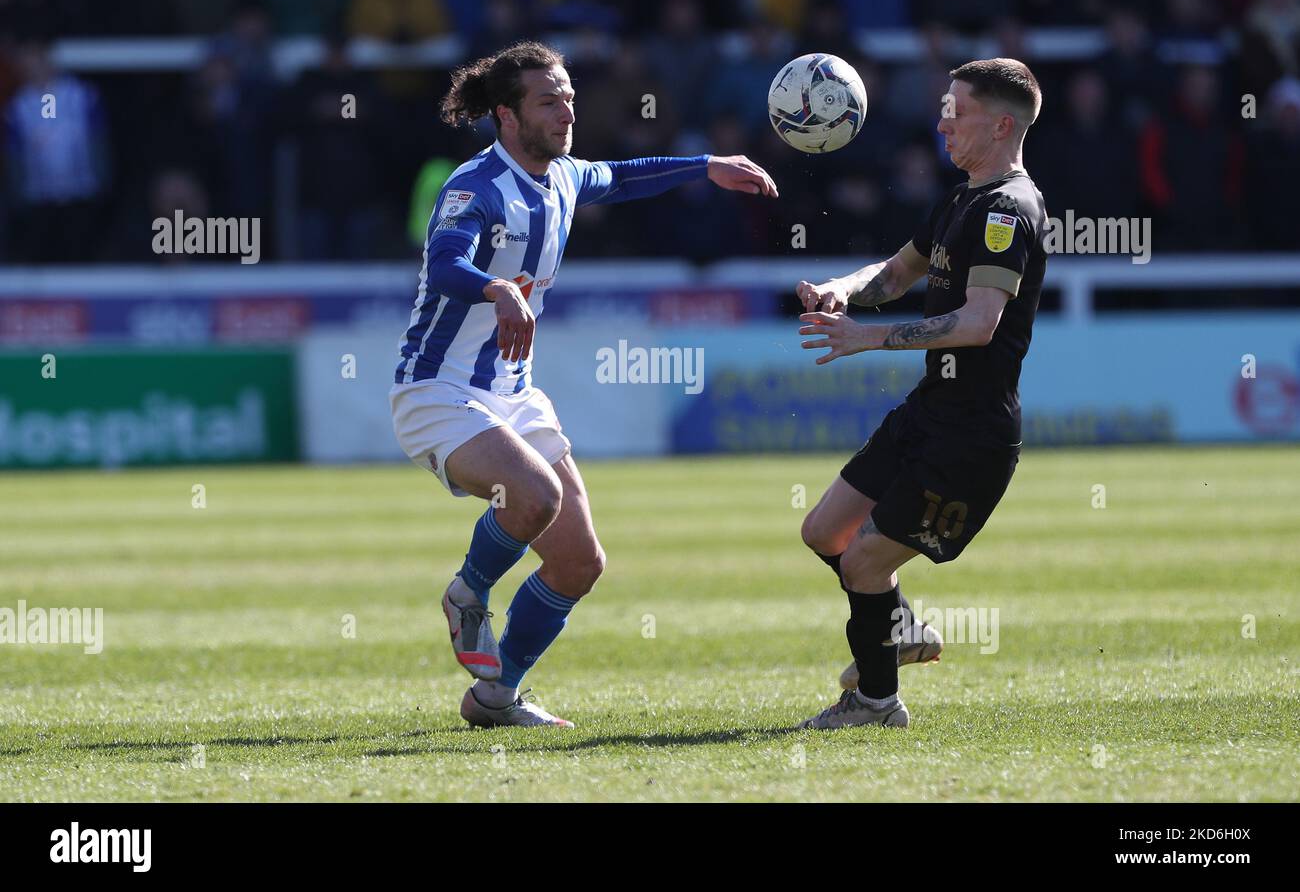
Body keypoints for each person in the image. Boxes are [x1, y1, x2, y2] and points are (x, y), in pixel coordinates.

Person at [390, 40, 777, 728]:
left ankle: (495, 696)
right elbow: (445, 263)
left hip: (513, 392)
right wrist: (499, 291)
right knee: (532, 495)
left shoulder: (564, 176)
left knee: (579, 562)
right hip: (437, 391)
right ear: (507, 116)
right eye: (548, 99)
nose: (567, 108)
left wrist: (705, 166)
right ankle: (469, 592)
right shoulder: (473, 188)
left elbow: (622, 177)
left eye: (568, 95)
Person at [795, 58, 1048, 729]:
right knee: (824, 532)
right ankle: (900, 631)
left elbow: (977, 323)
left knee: (865, 560)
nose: (941, 121)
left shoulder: (1006, 211)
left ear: (1000, 124)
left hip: (973, 436)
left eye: (955, 110)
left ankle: (876, 703)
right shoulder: (960, 197)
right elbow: (898, 272)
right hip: (930, 412)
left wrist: (864, 338)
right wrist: (844, 291)